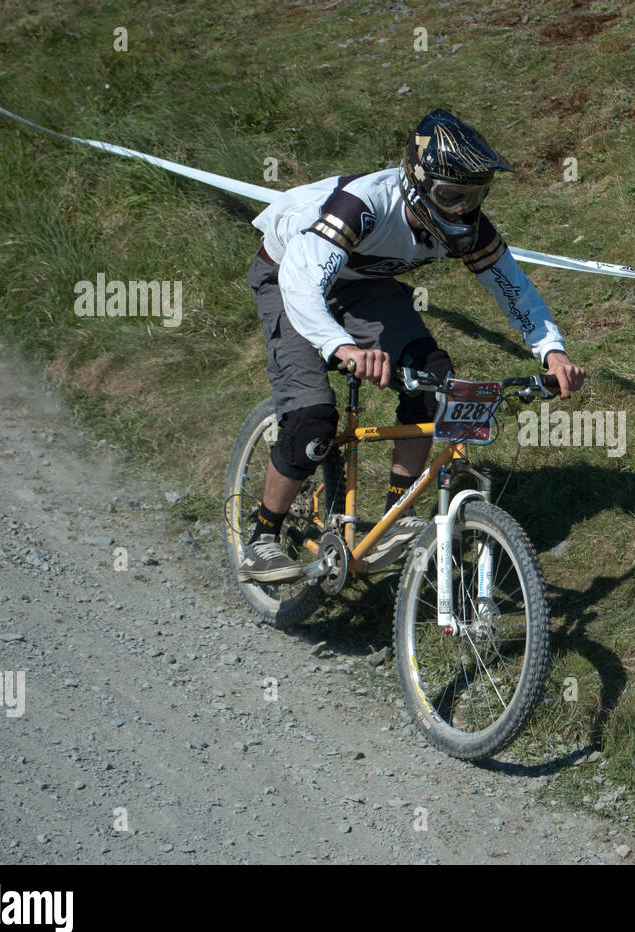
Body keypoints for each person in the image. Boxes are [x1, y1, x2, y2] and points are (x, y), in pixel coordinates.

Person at [239, 108, 584, 583]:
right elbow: (303, 283)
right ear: (418, 183)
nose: (462, 209)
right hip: (288, 276)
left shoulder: (467, 228)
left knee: (430, 379)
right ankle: (262, 538)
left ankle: (396, 517)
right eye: (451, 196)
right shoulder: (361, 206)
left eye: (475, 196)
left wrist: (553, 352)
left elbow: (514, 291)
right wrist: (343, 347)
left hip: (363, 284)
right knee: (312, 418)